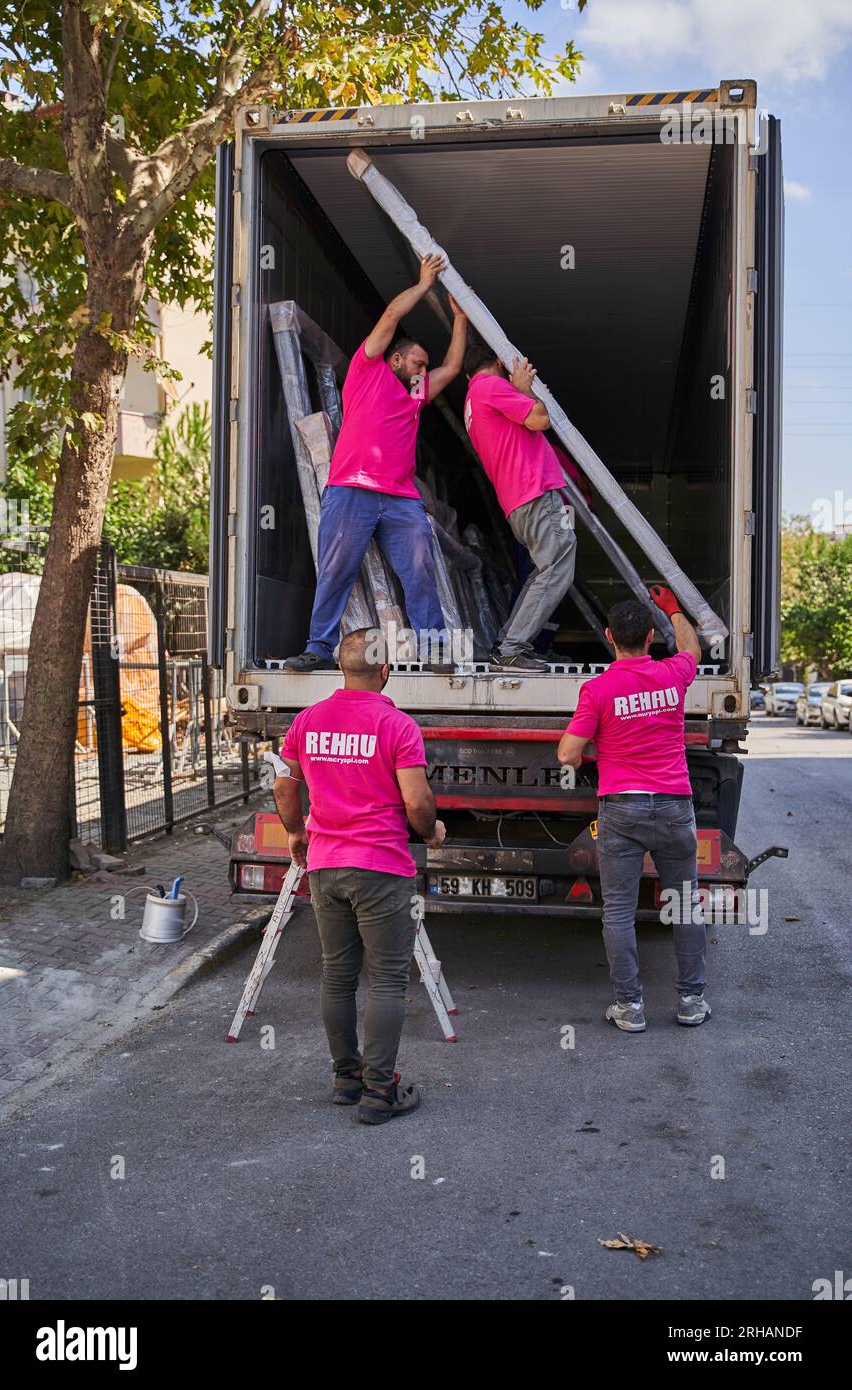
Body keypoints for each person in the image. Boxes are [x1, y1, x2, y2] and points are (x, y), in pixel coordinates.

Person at [274, 628, 446, 1124]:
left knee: (337, 974)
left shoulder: (307, 722)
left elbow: (285, 787)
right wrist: (430, 830)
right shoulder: (396, 725)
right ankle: (378, 1092)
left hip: (327, 865)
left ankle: (345, 1079)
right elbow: (415, 801)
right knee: (388, 979)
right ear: (386, 671)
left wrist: (295, 834)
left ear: (341, 669)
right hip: (380, 866)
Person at [285, 255, 467, 673]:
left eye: (425, 366)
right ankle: (317, 648)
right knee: (336, 572)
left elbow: (454, 367)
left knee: (420, 571)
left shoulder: (416, 394)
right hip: (351, 488)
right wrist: (424, 285)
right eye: (419, 363)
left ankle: (435, 649)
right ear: (397, 359)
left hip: (400, 499)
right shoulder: (368, 371)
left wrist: (459, 319)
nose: (424, 370)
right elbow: (390, 314)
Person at [557, 586, 710, 1032]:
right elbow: (692, 647)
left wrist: (594, 754)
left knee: (619, 912)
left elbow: (567, 754)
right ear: (649, 637)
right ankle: (691, 1002)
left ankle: (630, 1007)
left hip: (622, 810)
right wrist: (673, 609)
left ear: (608, 636)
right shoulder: (672, 674)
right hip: (674, 805)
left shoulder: (599, 689)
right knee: (684, 906)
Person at [462, 342, 577, 672]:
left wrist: (524, 396)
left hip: (517, 499)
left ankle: (507, 643)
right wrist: (525, 391)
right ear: (498, 360)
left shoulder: (472, 398)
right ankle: (511, 648)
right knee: (558, 566)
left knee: (543, 569)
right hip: (534, 491)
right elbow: (540, 420)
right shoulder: (492, 387)